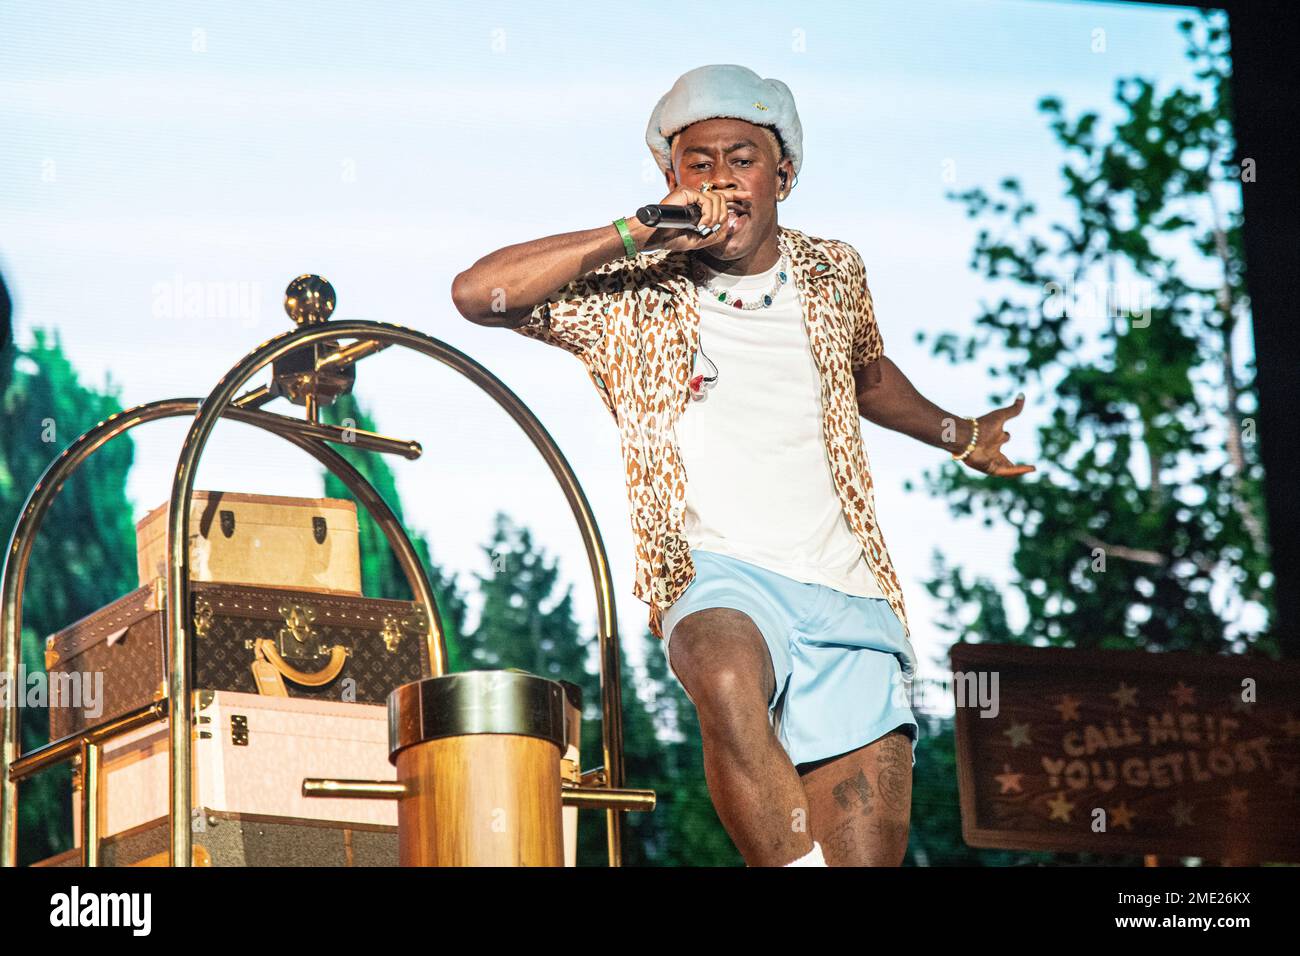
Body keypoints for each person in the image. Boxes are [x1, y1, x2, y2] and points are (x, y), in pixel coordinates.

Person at [451, 64, 1034, 866]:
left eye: (743, 158)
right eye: (699, 162)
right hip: (713, 572)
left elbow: (866, 374)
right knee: (724, 678)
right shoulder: (632, 290)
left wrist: (960, 434)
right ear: (670, 177)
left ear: (783, 176)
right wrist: (637, 231)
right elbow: (481, 293)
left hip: (846, 586)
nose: (720, 178)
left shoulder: (834, 273)